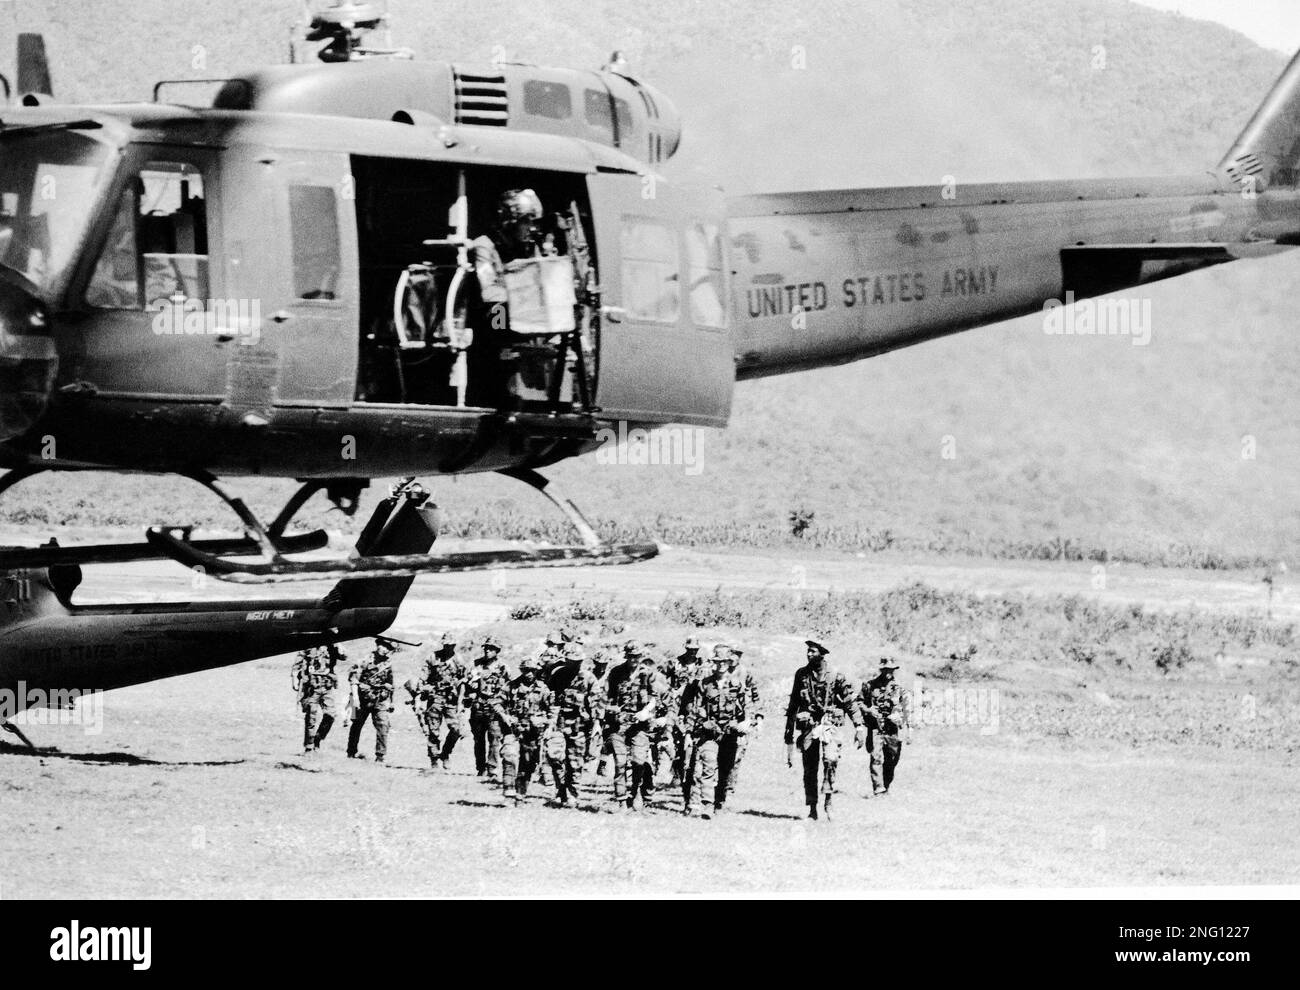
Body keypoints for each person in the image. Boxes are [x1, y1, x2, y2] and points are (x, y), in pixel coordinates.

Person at [784, 640, 864, 821]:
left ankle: (828, 801)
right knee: (809, 768)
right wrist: (789, 730)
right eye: (808, 651)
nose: (809, 654)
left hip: (830, 725)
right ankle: (811, 807)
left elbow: (850, 702)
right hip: (809, 726)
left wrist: (859, 726)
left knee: (830, 759)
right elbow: (794, 703)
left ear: (822, 653)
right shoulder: (802, 674)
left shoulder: (836, 676)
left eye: (813, 651)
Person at [604, 641, 669, 811]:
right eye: (631, 656)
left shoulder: (648, 674)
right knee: (620, 762)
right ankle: (621, 800)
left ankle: (636, 792)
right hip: (619, 725)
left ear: (641, 656)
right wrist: (611, 710)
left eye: (637, 656)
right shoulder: (616, 672)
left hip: (641, 725)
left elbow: (656, 698)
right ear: (626, 656)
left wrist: (647, 710)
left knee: (638, 762)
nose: (634, 659)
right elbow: (607, 697)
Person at [545, 644, 602, 806]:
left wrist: (597, 723)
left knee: (575, 762)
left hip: (580, 726)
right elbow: (552, 699)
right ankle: (560, 789)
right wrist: (550, 723)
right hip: (560, 723)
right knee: (554, 755)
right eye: (571, 661)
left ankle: (571, 795)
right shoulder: (558, 675)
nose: (574, 664)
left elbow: (597, 702)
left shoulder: (589, 678)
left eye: (578, 661)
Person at [497, 658, 555, 807]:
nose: (529, 673)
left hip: (533, 732)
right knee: (509, 756)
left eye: (532, 670)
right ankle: (508, 794)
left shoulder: (543, 688)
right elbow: (497, 703)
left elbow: (552, 710)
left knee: (528, 763)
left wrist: (549, 727)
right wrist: (505, 716)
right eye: (526, 670)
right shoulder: (511, 686)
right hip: (514, 730)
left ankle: (520, 795)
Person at [408, 632, 468, 769]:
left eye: (451, 645)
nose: (448, 648)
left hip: (451, 700)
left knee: (456, 730)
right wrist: (418, 698)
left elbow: (463, 683)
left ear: (454, 645)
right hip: (435, 697)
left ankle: (445, 753)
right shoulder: (433, 657)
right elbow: (422, 678)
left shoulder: (459, 660)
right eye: (446, 645)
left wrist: (460, 703)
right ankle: (434, 759)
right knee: (433, 731)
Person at [713, 645, 759, 814]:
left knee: (733, 760)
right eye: (732, 655)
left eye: (737, 655)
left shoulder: (744, 674)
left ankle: (727, 790)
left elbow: (753, 696)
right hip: (716, 726)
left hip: (736, 726)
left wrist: (753, 719)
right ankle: (711, 795)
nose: (734, 658)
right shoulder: (715, 674)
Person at [860, 657, 910, 796]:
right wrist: (869, 710)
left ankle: (886, 786)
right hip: (875, 727)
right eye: (885, 669)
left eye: (891, 669)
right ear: (881, 669)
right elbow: (859, 702)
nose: (888, 672)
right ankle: (878, 788)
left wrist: (902, 719)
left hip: (892, 728)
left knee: (892, 758)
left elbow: (907, 707)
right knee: (875, 756)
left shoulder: (899, 688)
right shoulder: (869, 685)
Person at [465, 635, 512, 779]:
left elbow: (509, 688)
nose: (487, 651)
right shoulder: (476, 664)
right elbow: (466, 684)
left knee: (494, 740)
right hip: (478, 706)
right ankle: (480, 768)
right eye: (486, 648)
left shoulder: (503, 667)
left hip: (494, 708)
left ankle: (492, 769)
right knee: (478, 740)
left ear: (497, 651)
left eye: (491, 649)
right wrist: (470, 688)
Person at [346, 638, 398, 763]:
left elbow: (390, 684)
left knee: (383, 725)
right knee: (356, 724)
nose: (385, 650)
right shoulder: (364, 660)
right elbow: (354, 681)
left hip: (379, 699)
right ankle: (351, 752)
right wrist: (356, 699)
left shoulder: (387, 664)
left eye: (388, 648)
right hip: (361, 698)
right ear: (378, 645)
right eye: (384, 646)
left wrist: (391, 701)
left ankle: (380, 756)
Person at [293, 644, 343, 755]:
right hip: (312, 687)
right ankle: (309, 747)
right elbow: (297, 663)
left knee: (331, 715)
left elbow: (344, 656)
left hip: (327, 686)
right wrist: (294, 680)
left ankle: (318, 738)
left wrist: (338, 645)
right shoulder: (310, 646)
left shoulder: (332, 646)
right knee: (311, 717)